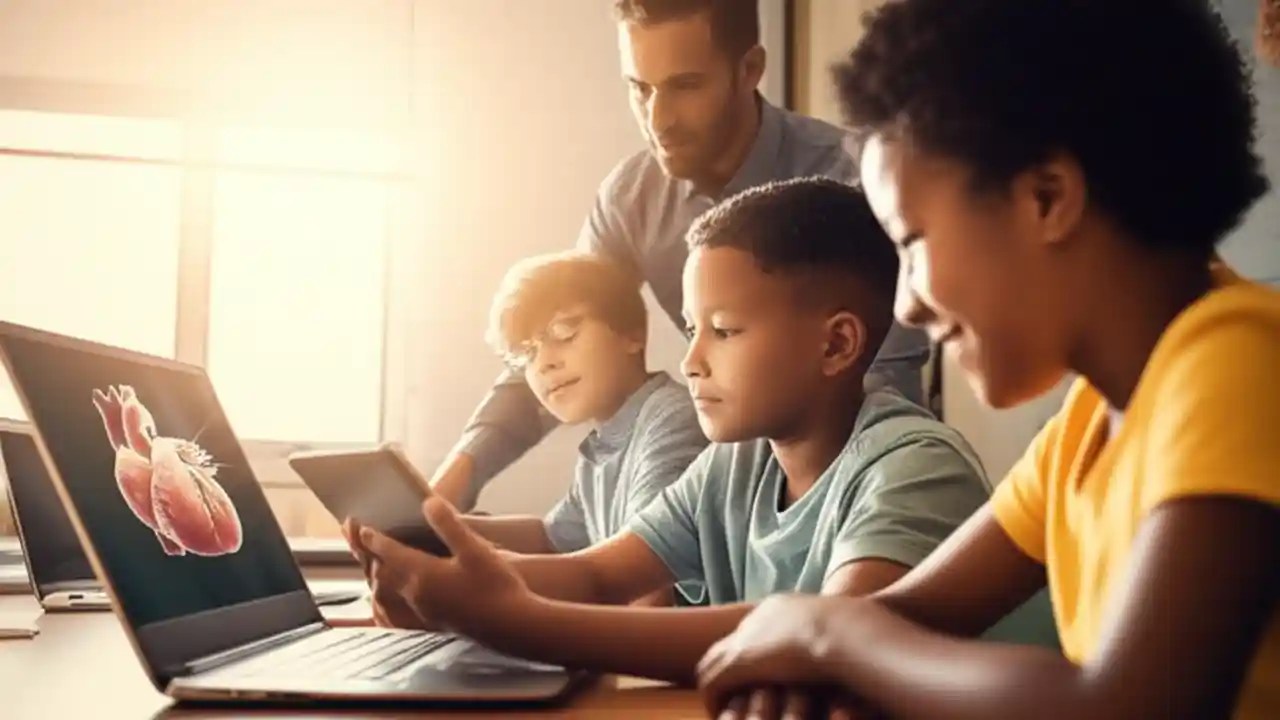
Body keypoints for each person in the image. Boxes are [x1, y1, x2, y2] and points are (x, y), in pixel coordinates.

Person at [695, 1, 1280, 719]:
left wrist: (831, 638)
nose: (905, 305)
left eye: (910, 243)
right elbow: (899, 617)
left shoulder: (1237, 361)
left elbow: (1128, 704)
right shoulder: (1086, 425)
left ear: (1045, 197)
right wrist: (818, 657)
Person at [346, 178, 991, 684]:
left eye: (725, 330)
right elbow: (597, 576)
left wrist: (520, 621)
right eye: (691, 328)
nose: (691, 360)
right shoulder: (733, 464)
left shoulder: (914, 466)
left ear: (837, 344)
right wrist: (449, 580)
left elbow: (836, 637)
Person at [431, 0, 931, 511]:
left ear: (750, 70)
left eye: (685, 86)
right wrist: (451, 483)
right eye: (639, 89)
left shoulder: (858, 180)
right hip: (725, 507)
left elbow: (884, 386)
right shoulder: (631, 198)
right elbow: (557, 334)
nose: (657, 120)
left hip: (856, 492)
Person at [461, 252, 706, 589]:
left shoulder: (671, 420)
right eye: (526, 353)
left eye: (564, 332)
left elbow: (645, 586)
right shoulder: (606, 439)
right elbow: (552, 538)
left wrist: (478, 577)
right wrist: (437, 527)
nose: (544, 363)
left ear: (631, 335)